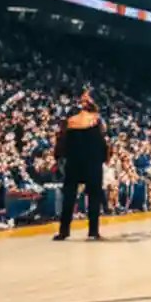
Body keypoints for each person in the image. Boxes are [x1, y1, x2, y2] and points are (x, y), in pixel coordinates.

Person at [54, 91, 111, 240]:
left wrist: (59, 158)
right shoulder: (97, 120)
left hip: (73, 161)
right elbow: (104, 141)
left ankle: (64, 231)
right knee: (94, 196)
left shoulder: (70, 121)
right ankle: (93, 231)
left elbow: (60, 141)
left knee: (69, 196)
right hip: (92, 162)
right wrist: (105, 158)